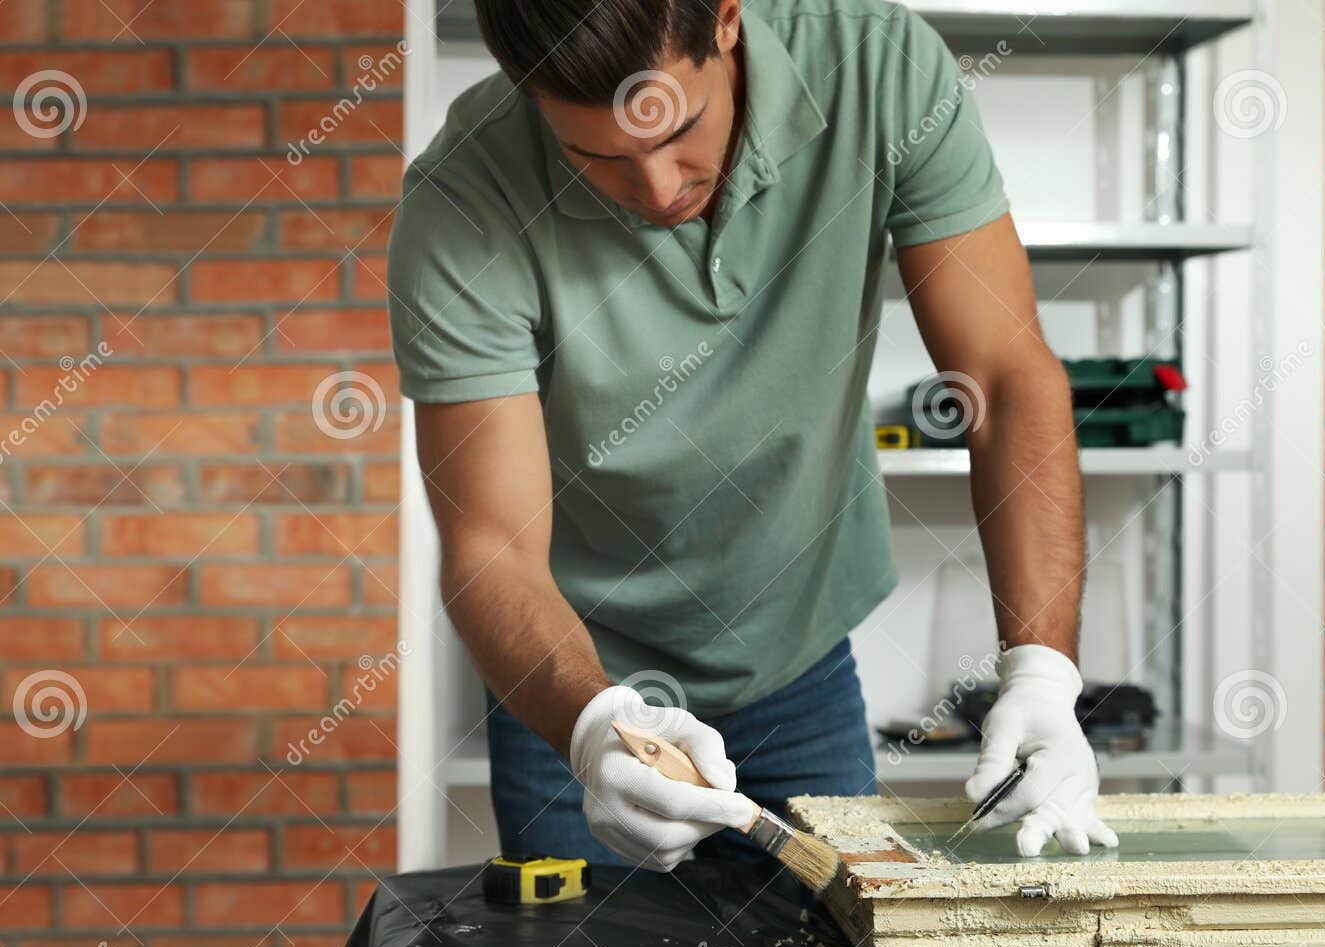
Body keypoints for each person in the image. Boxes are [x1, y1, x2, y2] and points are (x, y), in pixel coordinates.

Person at [388, 0, 1119, 872]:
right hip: (581, 678)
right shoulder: (463, 197)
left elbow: (1002, 374)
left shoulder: (878, 69)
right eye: (598, 156)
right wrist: (592, 729)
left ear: (727, 20)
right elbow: (491, 548)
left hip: (796, 664)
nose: (659, 190)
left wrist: (1042, 671)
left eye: (679, 129)